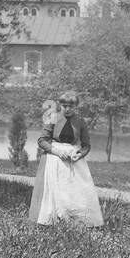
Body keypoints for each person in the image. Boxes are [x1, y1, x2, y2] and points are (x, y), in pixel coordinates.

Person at [28, 91, 104, 227]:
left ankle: (75, 220)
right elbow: (42, 140)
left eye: (71, 106)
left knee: (77, 190)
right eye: (64, 106)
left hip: (73, 159)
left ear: (76, 107)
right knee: (55, 189)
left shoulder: (80, 122)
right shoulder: (53, 118)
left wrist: (80, 154)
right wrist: (56, 151)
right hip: (55, 157)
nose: (68, 109)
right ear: (60, 105)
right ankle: (53, 218)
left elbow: (86, 145)